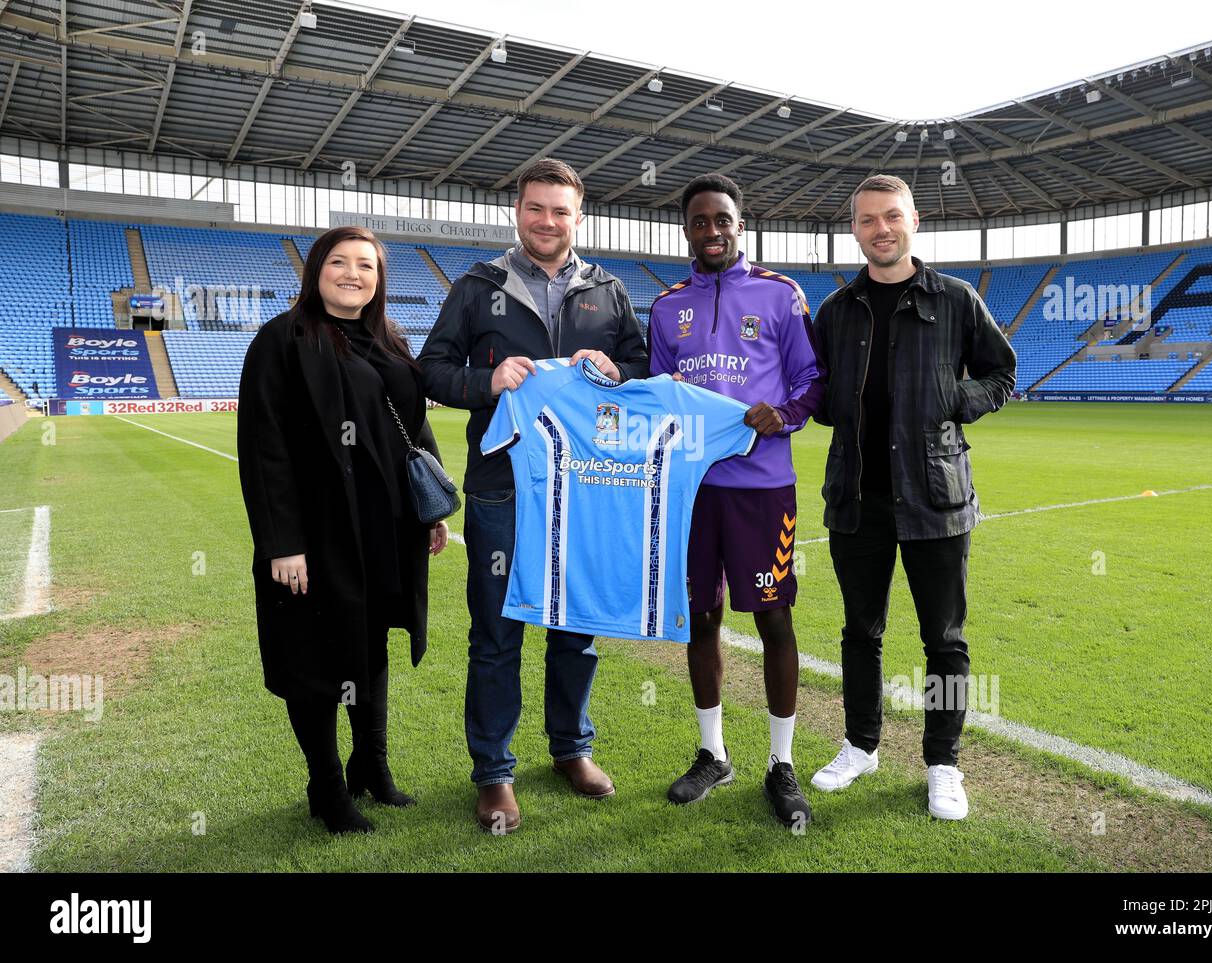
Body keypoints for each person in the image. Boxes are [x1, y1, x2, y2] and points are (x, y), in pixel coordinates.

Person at [418, 157, 649, 834]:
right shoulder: (476, 286)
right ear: (516, 211)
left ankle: (571, 748)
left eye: (560, 210)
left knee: (576, 629)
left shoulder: (608, 291)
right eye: (535, 208)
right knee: (498, 632)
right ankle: (494, 772)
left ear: (579, 217)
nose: (547, 221)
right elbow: (432, 369)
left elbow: (641, 368)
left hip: (588, 489)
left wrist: (616, 368)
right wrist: (487, 381)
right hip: (503, 488)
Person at [807, 174, 1015, 820]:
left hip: (936, 497)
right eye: (868, 220)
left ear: (914, 221)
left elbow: (1001, 370)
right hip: (857, 500)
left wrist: (960, 401)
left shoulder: (956, 300)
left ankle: (943, 762)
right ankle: (861, 744)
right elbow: (813, 394)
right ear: (855, 230)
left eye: (891, 217)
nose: (881, 229)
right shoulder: (838, 311)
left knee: (944, 639)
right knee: (859, 632)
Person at [238, 225, 450, 835]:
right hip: (316, 529)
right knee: (313, 655)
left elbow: (414, 429)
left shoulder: (389, 339)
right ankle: (327, 786)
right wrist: (282, 544)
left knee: (370, 641)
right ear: (316, 270)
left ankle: (371, 768)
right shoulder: (281, 340)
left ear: (379, 279)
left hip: (384, 526)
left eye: (367, 265)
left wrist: (428, 509)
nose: (353, 274)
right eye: (339, 262)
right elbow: (264, 448)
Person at [647, 173, 823, 827]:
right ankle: (712, 752)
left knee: (774, 618)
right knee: (701, 618)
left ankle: (782, 763)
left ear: (738, 225)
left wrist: (783, 415)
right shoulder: (667, 307)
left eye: (722, 219)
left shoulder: (781, 294)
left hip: (761, 489)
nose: (712, 230)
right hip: (692, 489)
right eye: (699, 221)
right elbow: (658, 396)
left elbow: (812, 379)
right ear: (687, 229)